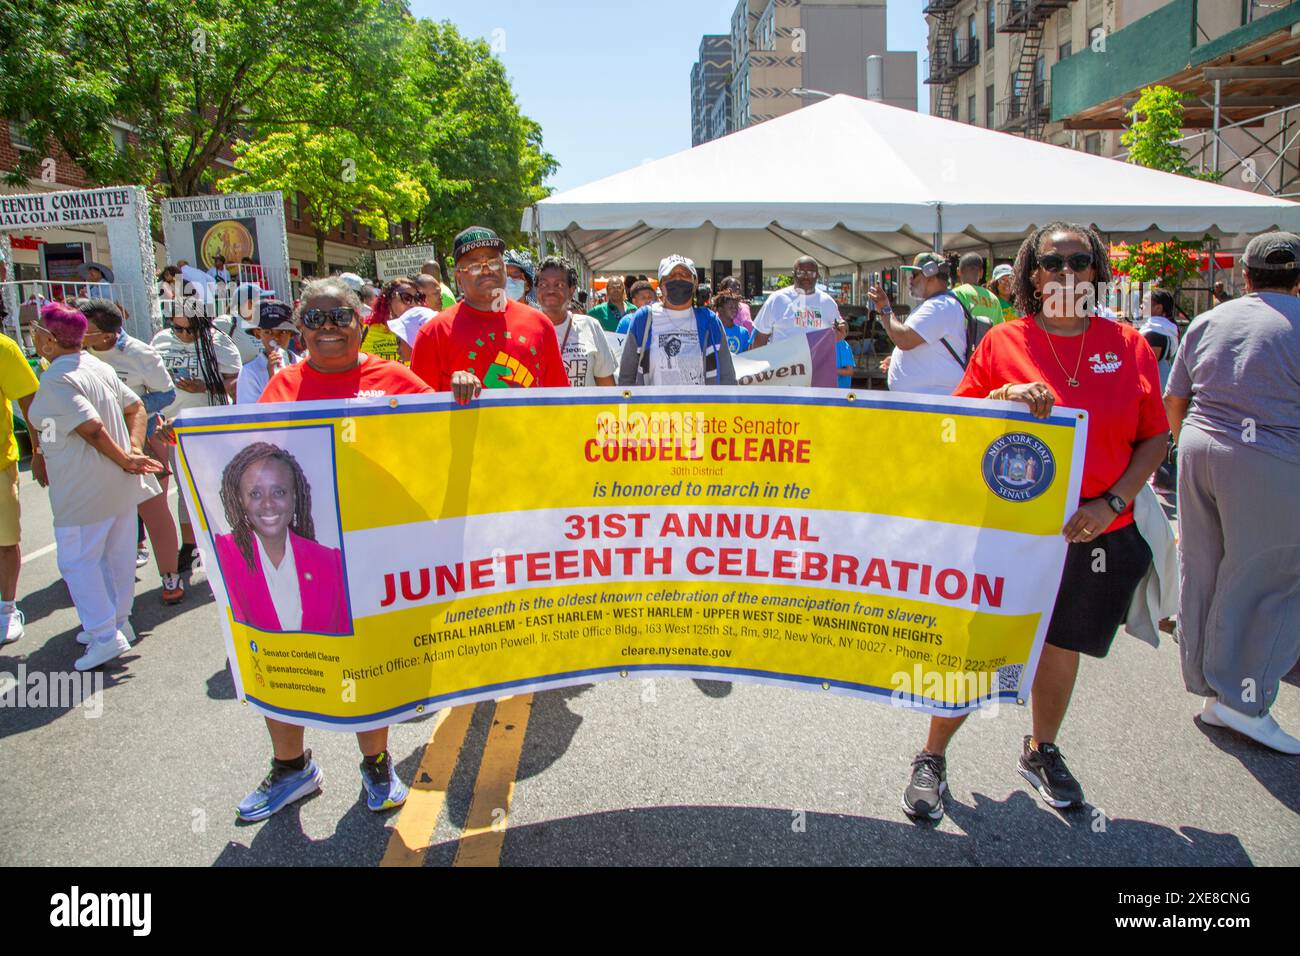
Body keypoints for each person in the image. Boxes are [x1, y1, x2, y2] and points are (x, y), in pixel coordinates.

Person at [901, 222, 1169, 821]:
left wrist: (1113, 504)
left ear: (1097, 270)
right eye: (1053, 262)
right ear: (1031, 273)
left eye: (1079, 260)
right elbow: (957, 424)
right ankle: (931, 754)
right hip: (1010, 525)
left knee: (1062, 644)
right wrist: (1003, 397)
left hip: (1098, 526)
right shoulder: (1002, 341)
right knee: (982, 641)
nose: (1067, 272)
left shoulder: (1128, 345)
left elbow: (1155, 438)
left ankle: (1042, 748)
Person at [237, 276, 430, 823]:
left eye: (339, 317)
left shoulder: (395, 378)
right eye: (316, 318)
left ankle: (375, 762)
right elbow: (245, 453)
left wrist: (462, 392)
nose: (327, 328)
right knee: (284, 652)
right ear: (300, 326)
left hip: (375, 544)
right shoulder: (281, 386)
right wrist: (179, 441)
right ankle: (292, 766)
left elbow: (449, 434)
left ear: (362, 322)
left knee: (367, 656)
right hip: (300, 547)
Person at [1164, 231, 1300, 754]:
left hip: (1200, 446)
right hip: (1272, 457)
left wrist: (1189, 448)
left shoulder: (1209, 320)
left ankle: (1212, 686)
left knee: (1205, 567)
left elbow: (1175, 398)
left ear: (1244, 275)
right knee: (1272, 579)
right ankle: (1243, 700)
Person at [27, 303, 165, 671]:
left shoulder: (59, 378)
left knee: (77, 561)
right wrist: (132, 452)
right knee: (114, 556)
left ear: (51, 340)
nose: (34, 335)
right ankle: (118, 622)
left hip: (84, 487)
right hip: (116, 485)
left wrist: (126, 457)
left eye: (38, 330)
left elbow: (91, 428)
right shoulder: (95, 366)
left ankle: (106, 635)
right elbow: (136, 406)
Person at [80, 299, 185, 605]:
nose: (82, 335)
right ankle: (110, 591)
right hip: (96, 445)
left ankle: (170, 575)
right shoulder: (79, 354)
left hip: (143, 441)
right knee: (108, 519)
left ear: (108, 334)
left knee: (154, 511)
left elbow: (165, 394)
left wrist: (121, 412)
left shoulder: (140, 353)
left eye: (89, 331)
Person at [409, 226, 567, 402]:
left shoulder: (541, 325)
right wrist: (451, 393)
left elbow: (559, 401)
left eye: (493, 262)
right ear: (459, 278)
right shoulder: (433, 334)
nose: (486, 270)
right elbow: (419, 413)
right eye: (474, 266)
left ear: (504, 268)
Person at [214, 443, 346, 634]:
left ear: (294, 496)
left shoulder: (330, 561)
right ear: (240, 500)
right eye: (255, 494)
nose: (268, 504)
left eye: (279, 492)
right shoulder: (223, 552)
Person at [152, 313, 241, 574]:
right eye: (178, 329)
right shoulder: (159, 342)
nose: (185, 335)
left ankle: (228, 541)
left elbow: (237, 384)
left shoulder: (220, 344)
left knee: (220, 486)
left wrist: (205, 386)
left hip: (214, 428)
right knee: (186, 489)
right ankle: (190, 545)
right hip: (174, 428)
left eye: (192, 330)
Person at [617, 255, 736, 387]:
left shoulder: (709, 320)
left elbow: (727, 377)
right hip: (655, 407)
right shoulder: (644, 319)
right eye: (671, 275)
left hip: (700, 407)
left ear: (695, 283)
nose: (678, 278)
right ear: (661, 284)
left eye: (684, 274)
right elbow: (626, 378)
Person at [872, 252, 967, 396]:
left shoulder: (939, 306)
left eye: (915, 275)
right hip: (927, 401)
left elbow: (905, 339)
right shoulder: (939, 304)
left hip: (933, 402)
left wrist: (885, 309)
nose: (911, 280)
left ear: (930, 274)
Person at [0, 317, 41, 643]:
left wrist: (40, 449)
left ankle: (7, 609)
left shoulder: (4, 348)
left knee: (4, 540)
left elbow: (29, 403)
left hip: (0, 464)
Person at [535, 255, 617, 387]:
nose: (551, 290)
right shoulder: (525, 329)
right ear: (537, 289)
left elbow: (607, 386)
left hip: (585, 408)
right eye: (543, 284)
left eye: (559, 285)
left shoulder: (590, 326)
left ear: (571, 291)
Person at [752, 257, 840, 347]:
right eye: (800, 273)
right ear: (793, 274)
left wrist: (844, 328)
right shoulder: (777, 299)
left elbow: (839, 331)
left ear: (817, 275)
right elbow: (760, 338)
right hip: (782, 360)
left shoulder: (828, 303)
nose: (806, 277)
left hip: (818, 360)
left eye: (811, 273)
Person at [236, 300, 301, 404]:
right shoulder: (249, 372)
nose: (275, 338)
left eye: (282, 332)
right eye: (268, 332)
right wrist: (273, 381)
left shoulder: (304, 365)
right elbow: (250, 416)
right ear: (257, 333)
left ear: (291, 334)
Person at [381, 277, 437, 364]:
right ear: (389, 300)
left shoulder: (426, 324)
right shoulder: (368, 330)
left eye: (418, 298)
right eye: (406, 298)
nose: (413, 304)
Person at [1139, 289, 1180, 393]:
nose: (1141, 306)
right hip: (1165, 379)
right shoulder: (1165, 329)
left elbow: (1149, 365)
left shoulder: (1154, 333)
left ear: (1158, 308)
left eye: (1145, 303)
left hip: (1155, 386)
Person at [951, 253, 1003, 326]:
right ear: (981, 273)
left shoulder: (956, 294)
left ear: (958, 272)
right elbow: (1000, 327)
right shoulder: (994, 299)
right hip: (989, 337)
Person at [714, 290, 752, 355]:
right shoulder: (714, 331)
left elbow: (747, 356)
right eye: (731, 307)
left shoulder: (743, 332)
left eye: (736, 307)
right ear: (720, 310)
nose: (734, 309)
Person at [834, 317, 855, 388]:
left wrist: (829, 371)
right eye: (838, 329)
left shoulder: (844, 346)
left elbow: (849, 371)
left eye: (843, 331)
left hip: (840, 390)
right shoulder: (826, 344)